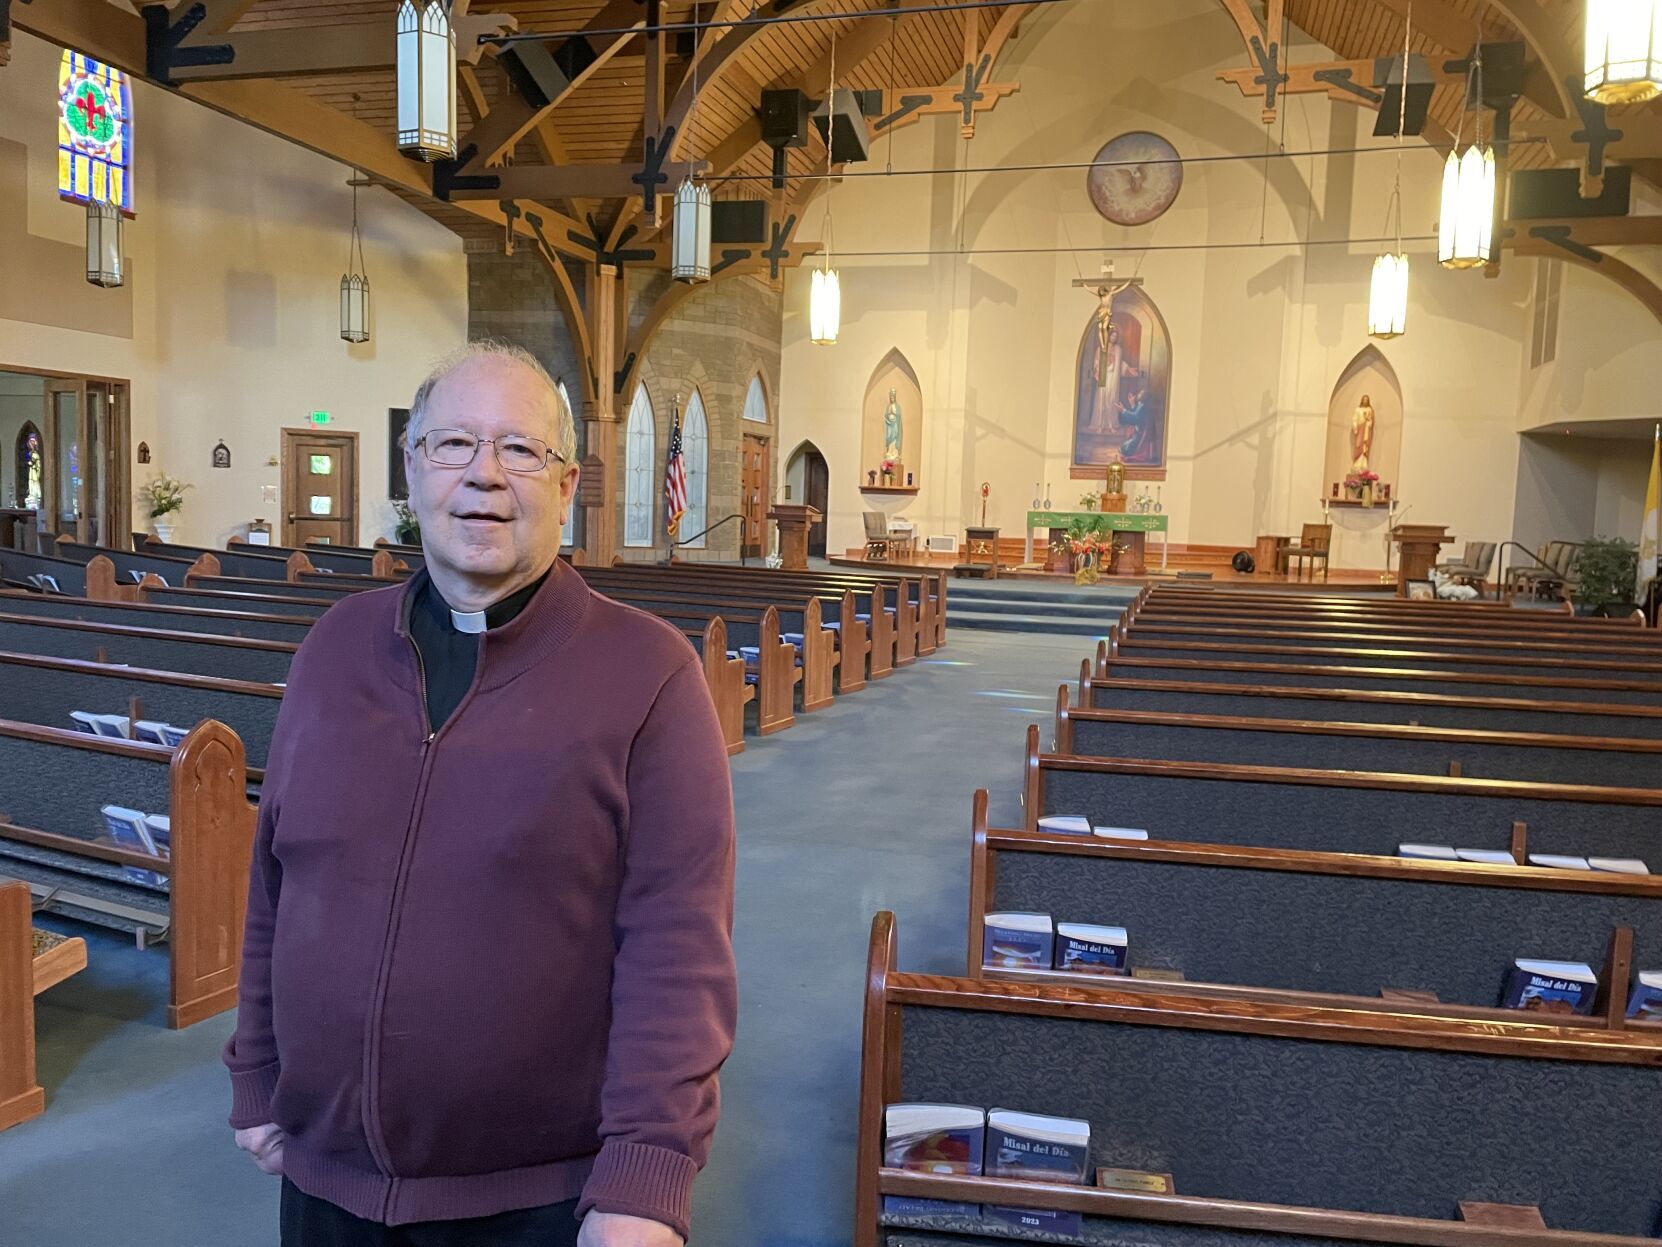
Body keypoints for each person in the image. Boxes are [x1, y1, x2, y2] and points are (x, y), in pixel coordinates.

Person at [224, 341, 737, 1247]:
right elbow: (277, 884)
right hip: (323, 1178)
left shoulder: (649, 674)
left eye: (520, 449)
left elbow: (677, 947)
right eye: (454, 444)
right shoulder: (334, 649)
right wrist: (257, 1071)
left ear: (568, 484)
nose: (484, 476)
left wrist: (646, 1176)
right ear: (413, 469)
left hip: (535, 1198)